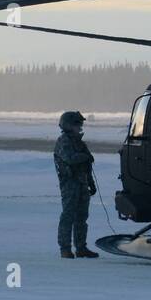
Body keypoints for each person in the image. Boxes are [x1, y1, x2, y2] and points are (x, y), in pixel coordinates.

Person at [54, 110, 98, 258]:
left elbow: (86, 166)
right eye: (77, 124)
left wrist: (91, 183)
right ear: (68, 125)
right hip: (70, 184)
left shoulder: (79, 143)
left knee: (81, 217)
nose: (80, 127)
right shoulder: (64, 141)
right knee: (68, 216)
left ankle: (81, 248)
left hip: (82, 183)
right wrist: (85, 156)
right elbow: (69, 158)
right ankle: (65, 248)